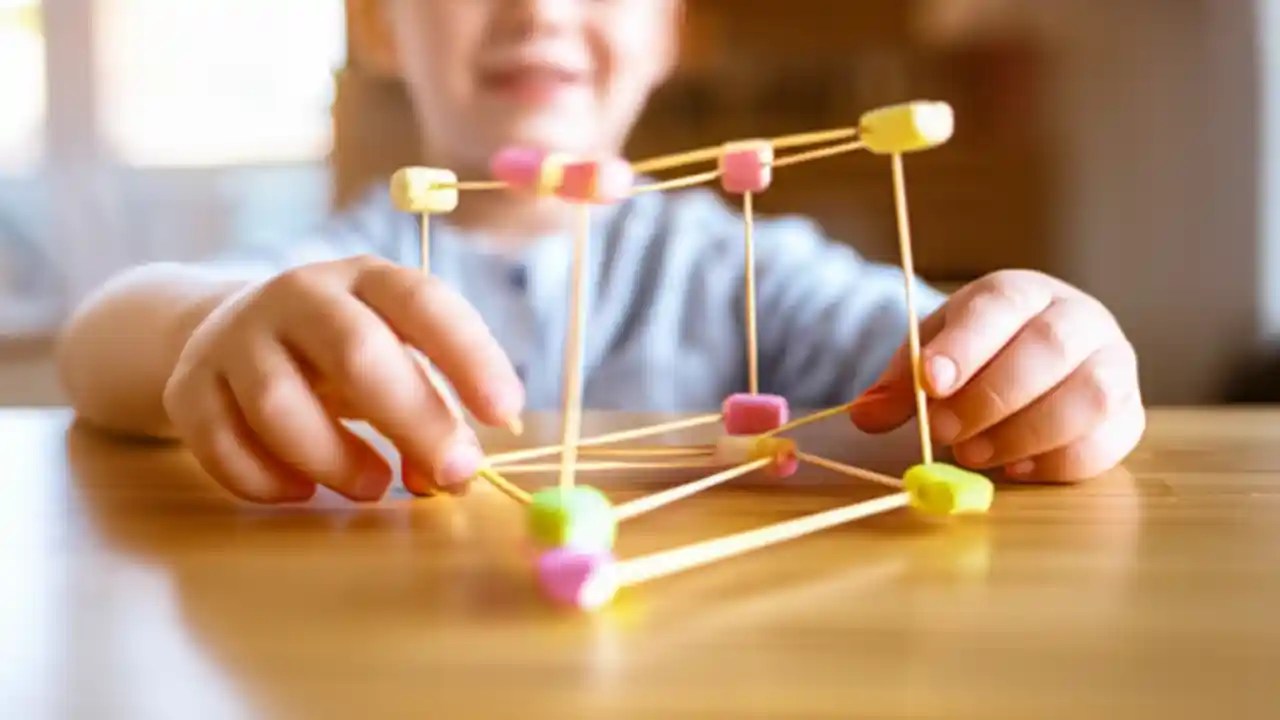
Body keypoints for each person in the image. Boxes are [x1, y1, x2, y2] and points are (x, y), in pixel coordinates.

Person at [56, 0, 1144, 504]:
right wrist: (206, 333)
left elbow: (944, 356)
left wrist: (1049, 353)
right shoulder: (345, 268)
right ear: (382, 27)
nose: (537, 9)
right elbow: (105, 338)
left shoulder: (743, 270)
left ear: (671, 33)